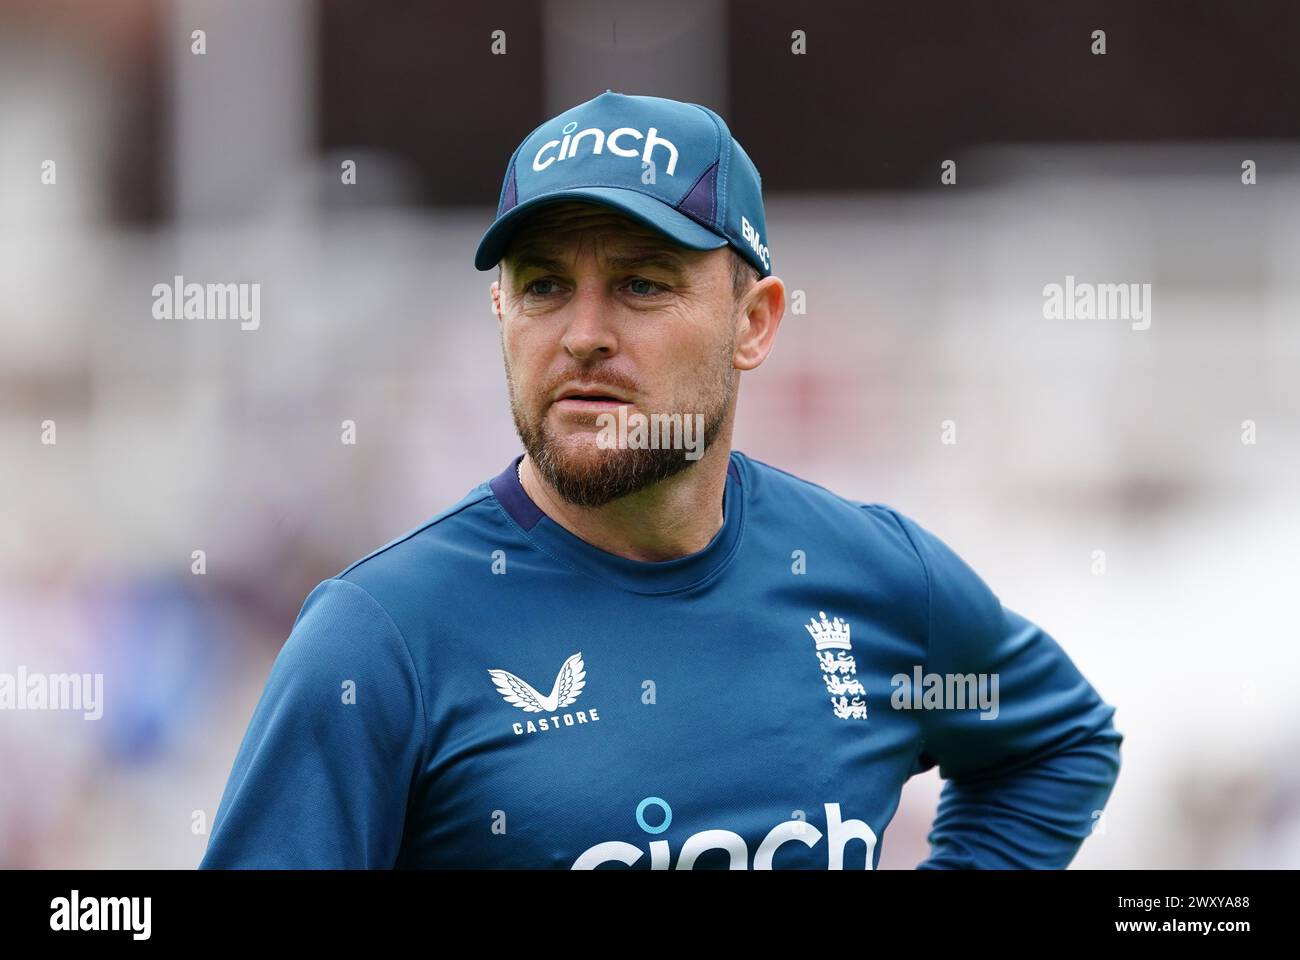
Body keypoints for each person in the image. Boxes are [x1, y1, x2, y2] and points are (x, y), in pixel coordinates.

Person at [199, 90, 1121, 869]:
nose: (584, 332)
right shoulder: (380, 640)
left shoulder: (873, 578)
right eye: (543, 286)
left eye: (642, 284)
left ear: (753, 324)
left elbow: (1056, 745)